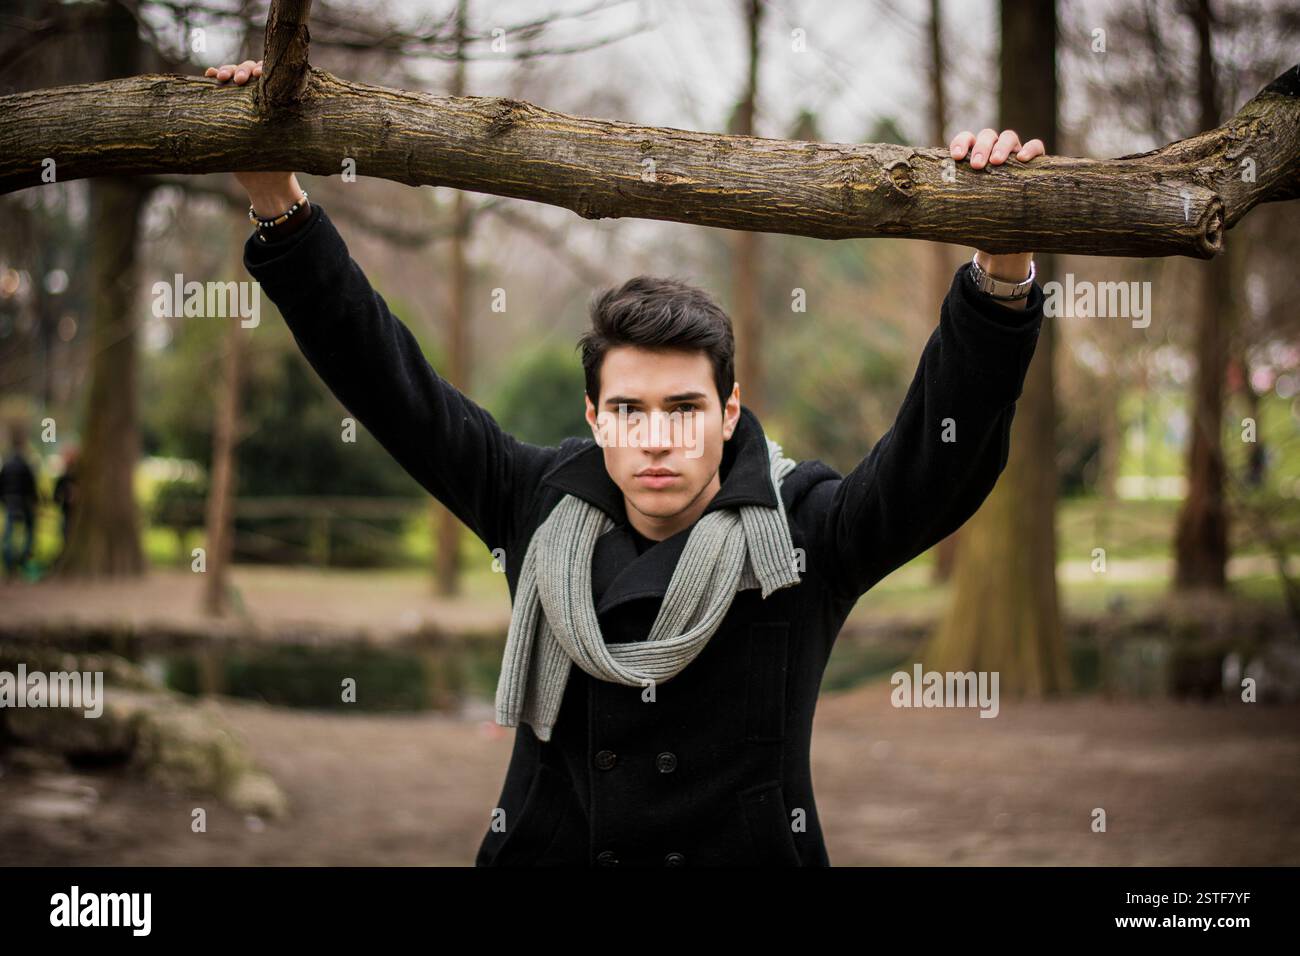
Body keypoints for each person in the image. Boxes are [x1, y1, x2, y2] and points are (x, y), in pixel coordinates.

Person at [209, 60, 1047, 867]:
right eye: (629, 410)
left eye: (684, 409)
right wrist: (278, 203)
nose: (657, 438)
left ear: (728, 412)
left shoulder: (805, 531)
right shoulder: (532, 501)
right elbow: (390, 385)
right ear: (593, 417)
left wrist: (999, 275)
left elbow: (935, 467)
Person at [0, 426, 38, 579]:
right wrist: (34, 501)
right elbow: (31, 485)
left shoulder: (6, 465)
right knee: (29, 531)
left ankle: (9, 561)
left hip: (9, 502)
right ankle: (22, 558)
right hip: (23, 503)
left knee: (9, 535)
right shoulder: (25, 465)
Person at [53, 443, 79, 553]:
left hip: (78, 514)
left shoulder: (80, 475)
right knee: (66, 535)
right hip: (67, 512)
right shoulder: (64, 477)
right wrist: (65, 496)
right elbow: (56, 496)